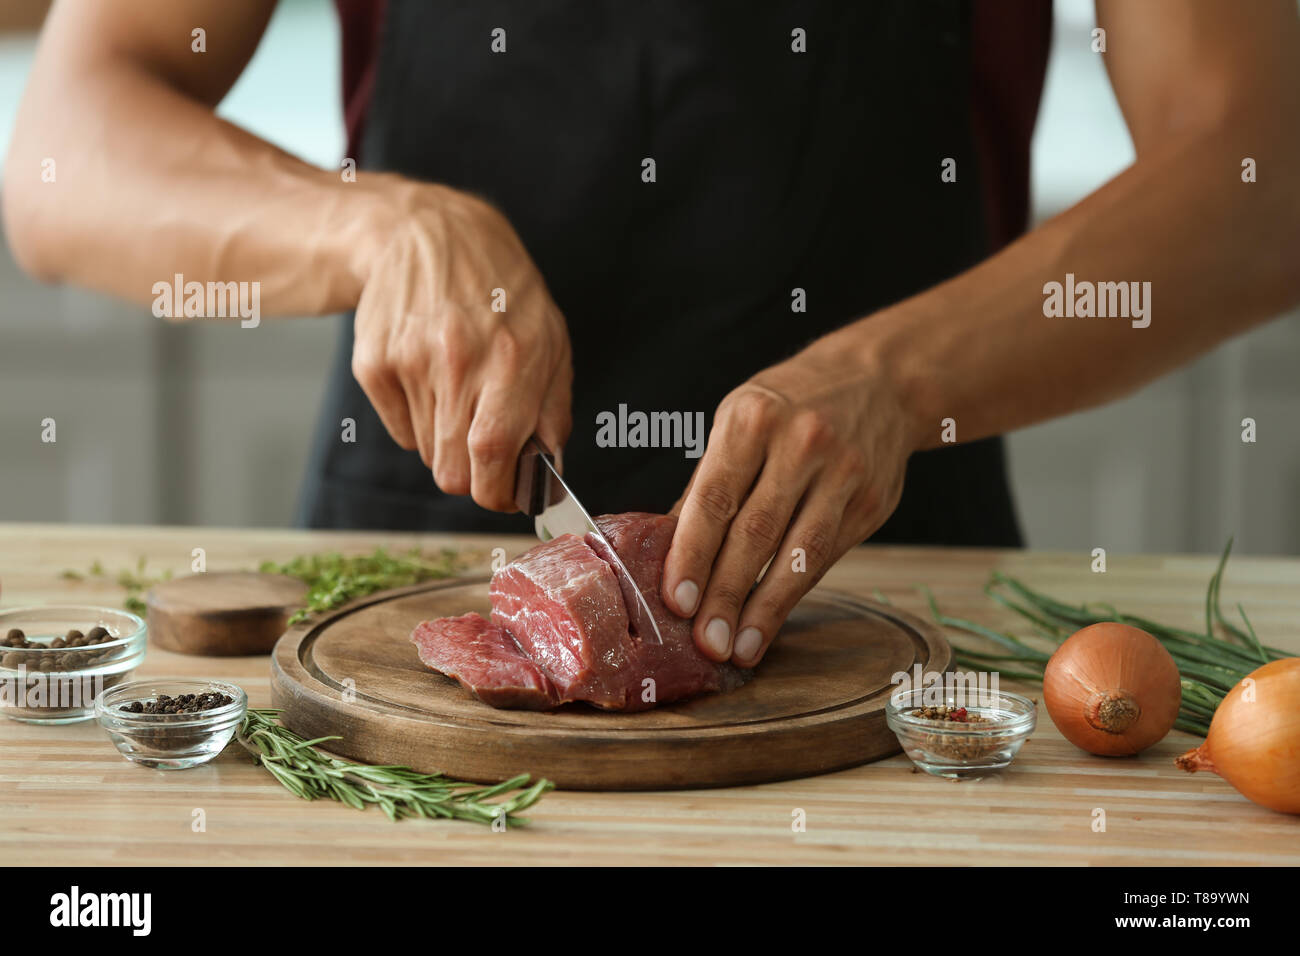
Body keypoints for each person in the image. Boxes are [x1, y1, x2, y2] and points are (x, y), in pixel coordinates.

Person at [5, 1, 1299, 670]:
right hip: (409, 577)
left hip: (892, 590)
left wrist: (902, 378)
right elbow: (65, 156)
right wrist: (381, 232)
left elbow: (1265, 169)